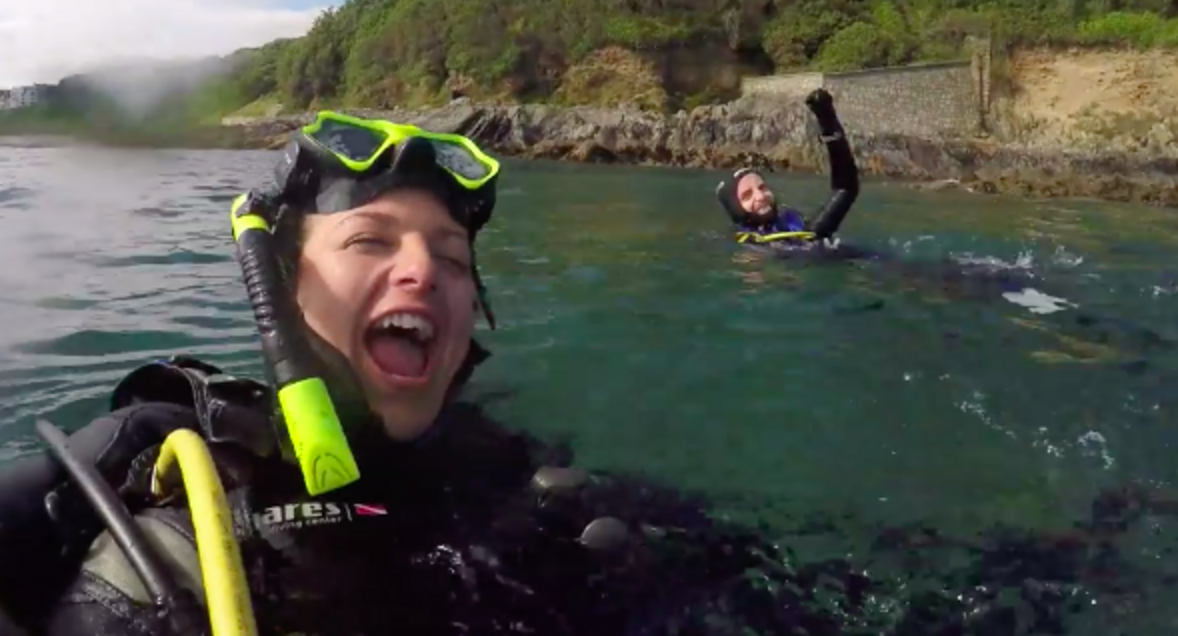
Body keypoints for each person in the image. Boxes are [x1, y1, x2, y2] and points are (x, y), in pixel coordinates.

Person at [0, 112, 1165, 636]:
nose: (421, 271)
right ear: (282, 289)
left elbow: (810, 591)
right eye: (371, 243)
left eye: (450, 256)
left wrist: (1062, 563)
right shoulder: (158, 480)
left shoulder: (520, 488)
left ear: (473, 315)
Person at [715, 88, 865, 254]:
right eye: (747, 195)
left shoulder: (802, 229)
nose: (761, 196)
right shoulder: (745, 248)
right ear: (736, 209)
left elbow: (845, 188)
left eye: (762, 187)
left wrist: (827, 119)